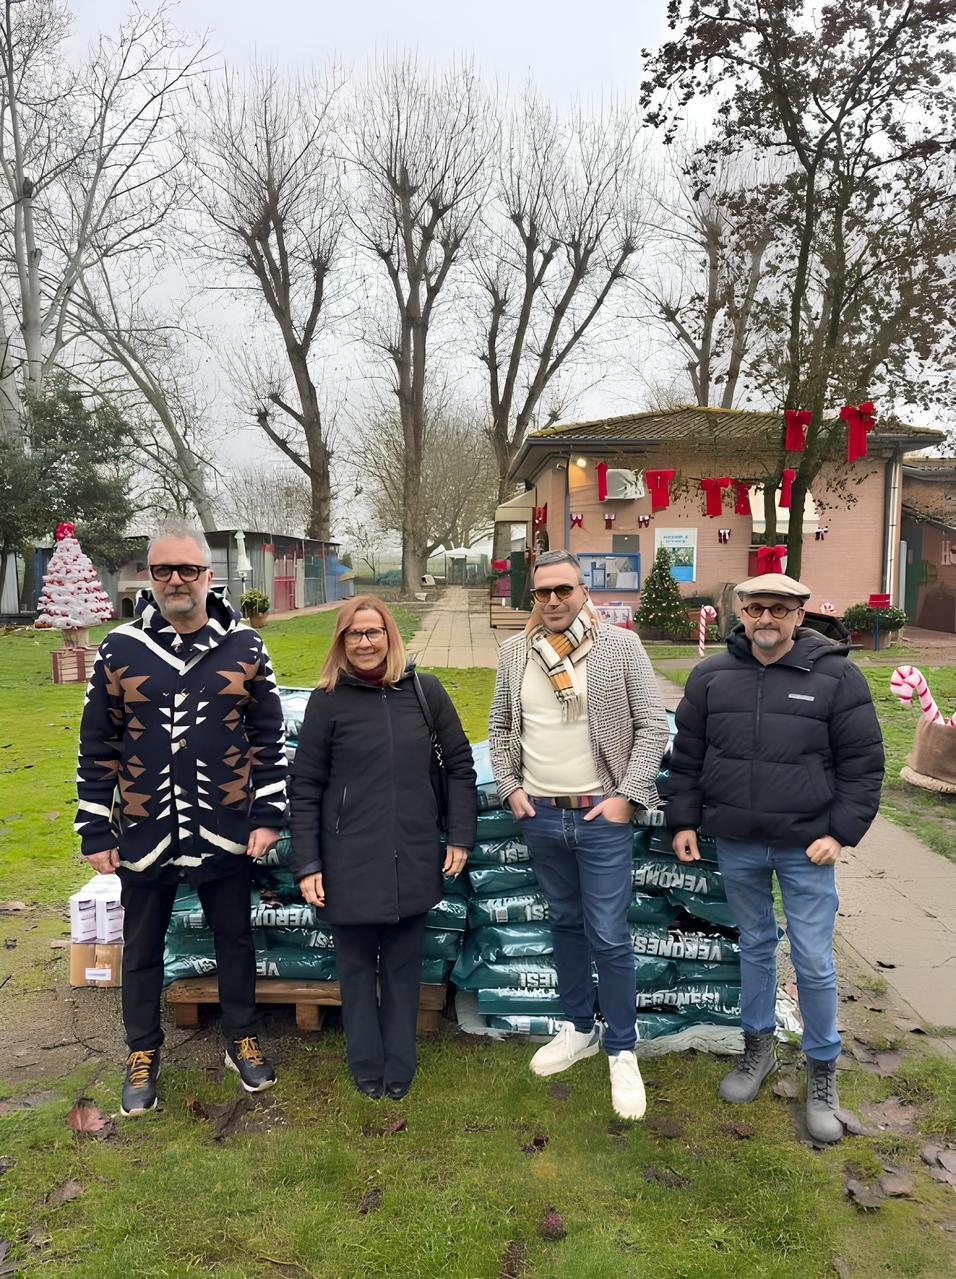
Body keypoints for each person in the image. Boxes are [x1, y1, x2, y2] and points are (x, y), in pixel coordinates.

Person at [75, 521, 287, 1117]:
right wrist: (95, 827)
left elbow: (269, 738)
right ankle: (142, 1051)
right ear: (151, 576)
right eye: (163, 569)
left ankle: (239, 1037)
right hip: (144, 829)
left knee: (234, 938)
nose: (175, 580)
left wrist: (267, 814)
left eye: (187, 570)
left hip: (225, 825)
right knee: (141, 947)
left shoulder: (245, 646)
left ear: (207, 576)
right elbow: (98, 745)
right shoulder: (120, 649)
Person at [667, 572, 884, 1143]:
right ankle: (757, 1050)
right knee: (756, 944)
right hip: (737, 841)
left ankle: (822, 1072)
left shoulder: (836, 677)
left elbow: (863, 764)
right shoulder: (711, 677)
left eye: (780, 609)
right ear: (740, 610)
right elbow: (686, 758)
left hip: (806, 847)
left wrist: (840, 833)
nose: (768, 618)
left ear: (800, 613)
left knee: (813, 959)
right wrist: (683, 820)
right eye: (757, 607)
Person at [489, 549, 669, 1120]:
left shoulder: (621, 647)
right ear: (533, 597)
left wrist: (628, 795)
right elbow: (499, 726)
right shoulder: (515, 652)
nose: (552, 601)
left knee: (610, 935)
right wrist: (510, 787)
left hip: (599, 817)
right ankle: (577, 1028)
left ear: (583, 591)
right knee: (565, 923)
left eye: (563, 590)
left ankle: (621, 1049)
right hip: (541, 814)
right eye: (542, 593)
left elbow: (653, 724)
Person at [289, 596, 476, 1100]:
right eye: (354, 633)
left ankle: (400, 1065)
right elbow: (305, 784)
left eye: (373, 632)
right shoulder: (327, 700)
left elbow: (459, 765)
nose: (365, 642)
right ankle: (366, 1065)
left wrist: (459, 834)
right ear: (341, 642)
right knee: (353, 969)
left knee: (402, 968)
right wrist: (307, 862)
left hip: (411, 853)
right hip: (347, 859)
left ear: (390, 637)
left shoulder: (424, 691)